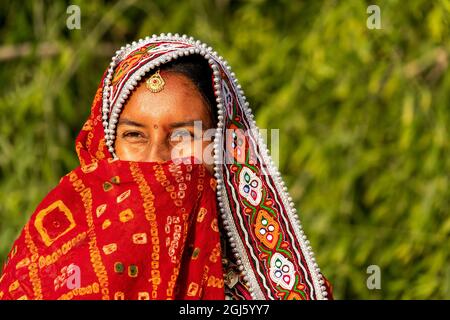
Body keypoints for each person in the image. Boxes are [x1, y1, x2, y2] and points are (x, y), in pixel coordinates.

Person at [0, 34, 332, 300]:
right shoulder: (50, 272)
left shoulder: (267, 293)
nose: (157, 156)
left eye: (184, 135)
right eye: (133, 134)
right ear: (105, 148)